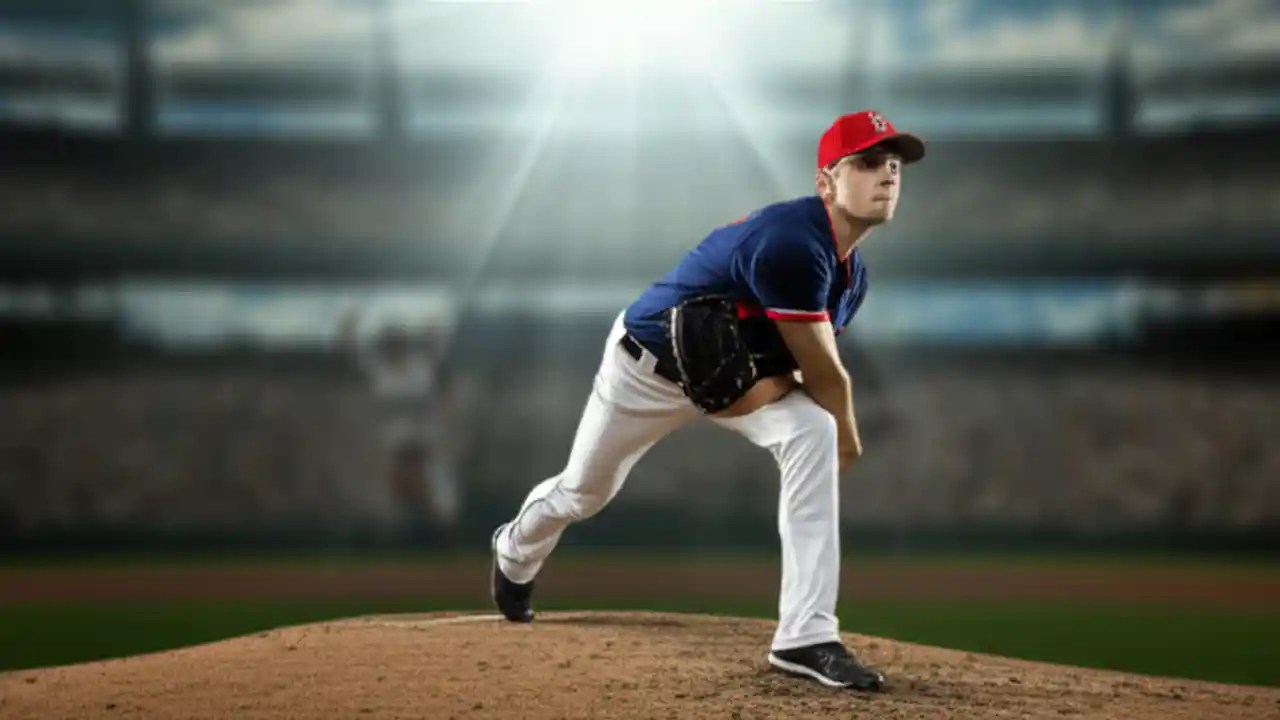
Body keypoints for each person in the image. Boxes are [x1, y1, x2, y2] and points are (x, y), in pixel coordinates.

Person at [490, 110, 925, 691]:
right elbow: (826, 375)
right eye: (868, 163)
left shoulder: (853, 277)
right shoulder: (793, 242)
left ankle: (806, 635)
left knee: (807, 431)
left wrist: (818, 418)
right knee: (585, 492)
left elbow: (796, 365)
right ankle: (516, 550)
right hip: (646, 370)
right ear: (825, 182)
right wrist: (846, 430)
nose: (888, 175)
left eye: (893, 164)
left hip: (734, 374)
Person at [338, 306, 460, 539]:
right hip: (396, 448)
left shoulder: (420, 366)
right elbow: (353, 352)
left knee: (443, 502)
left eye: (399, 341)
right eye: (391, 342)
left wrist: (437, 324)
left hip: (424, 445)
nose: (396, 346)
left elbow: (440, 346)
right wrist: (349, 328)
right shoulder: (380, 371)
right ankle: (399, 545)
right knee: (394, 501)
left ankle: (445, 545)